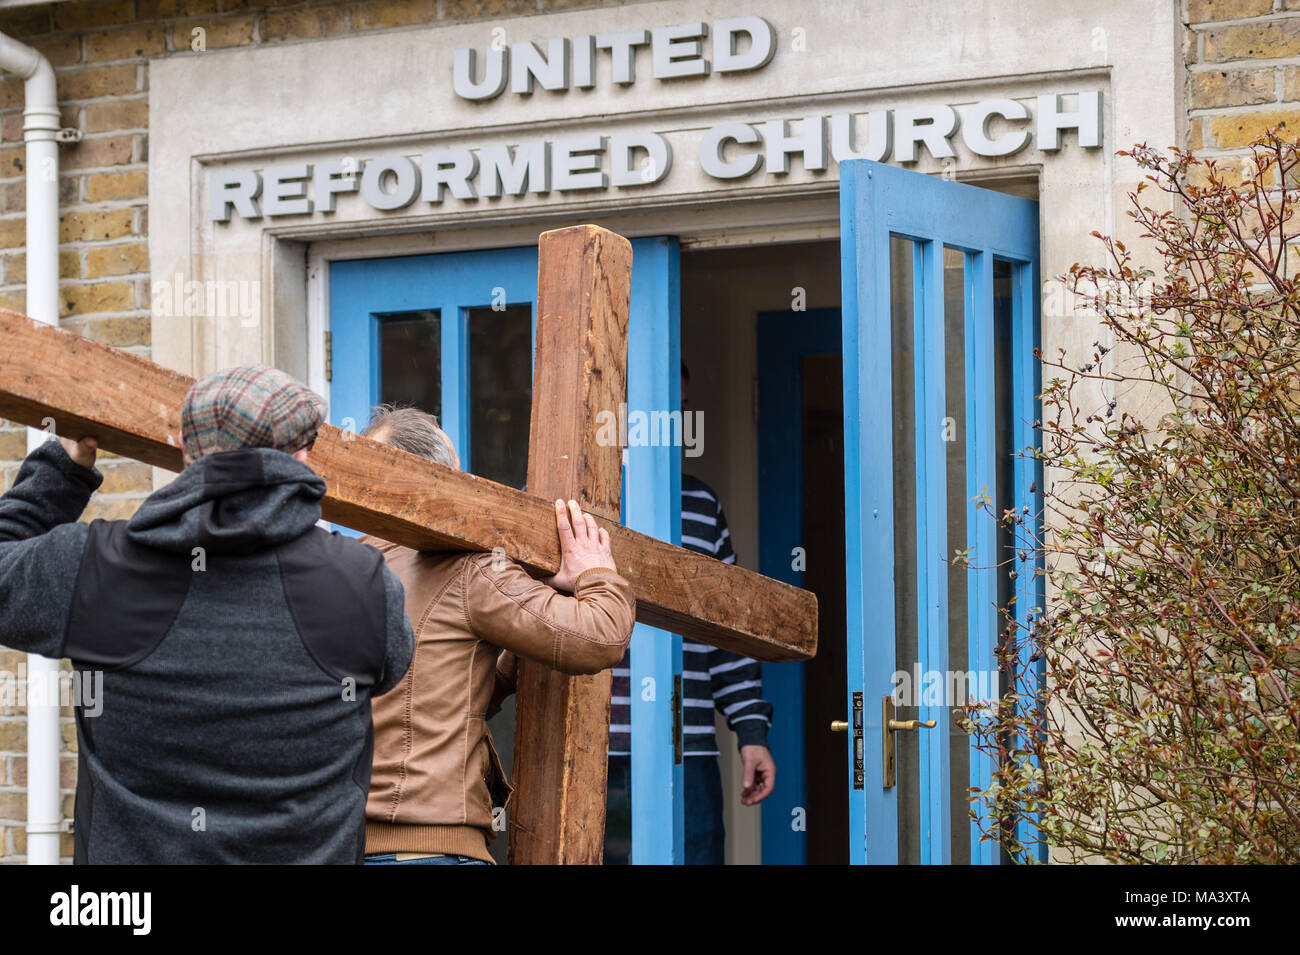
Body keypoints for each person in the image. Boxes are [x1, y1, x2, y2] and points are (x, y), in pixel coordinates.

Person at [0, 366, 413, 864]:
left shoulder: (94, 568)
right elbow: (391, 668)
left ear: (182, 448)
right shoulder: (362, 585)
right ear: (302, 455)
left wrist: (64, 466)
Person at [359, 404, 636, 866]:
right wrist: (596, 574)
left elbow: (445, 690)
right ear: (444, 478)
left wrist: (529, 610)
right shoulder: (467, 569)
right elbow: (600, 635)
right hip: (432, 852)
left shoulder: (341, 570)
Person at [605, 364, 776, 865]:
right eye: (664, 409)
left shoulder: (702, 505)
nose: (676, 420)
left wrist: (751, 734)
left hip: (690, 753)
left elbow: (727, 635)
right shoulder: (584, 504)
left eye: (682, 407)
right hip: (602, 755)